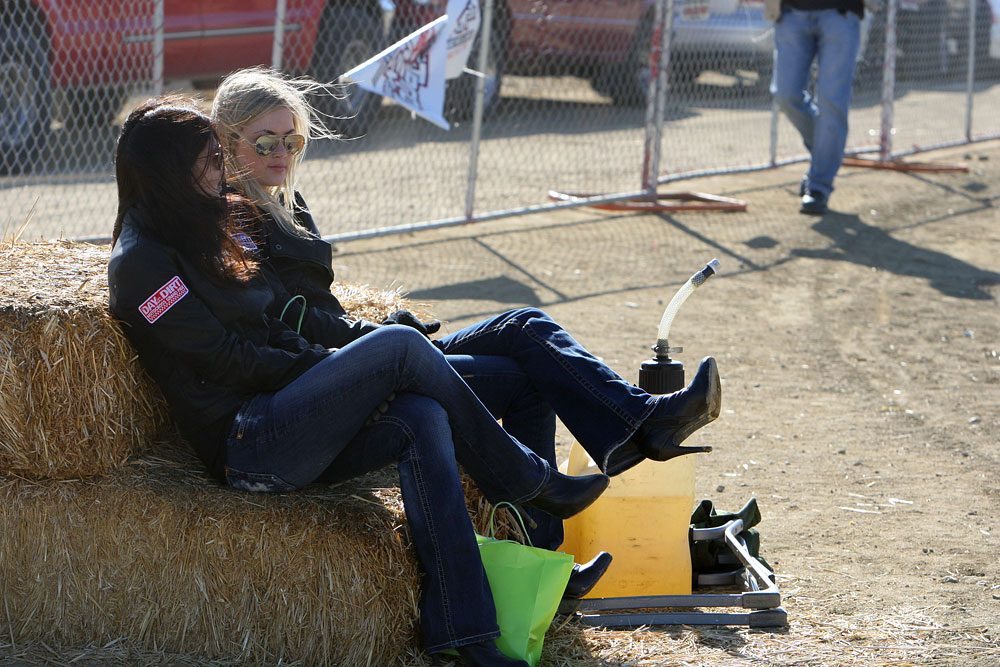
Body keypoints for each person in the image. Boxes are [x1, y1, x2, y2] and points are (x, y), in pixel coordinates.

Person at [108, 97, 614, 667]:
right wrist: (330, 372)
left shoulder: (216, 223)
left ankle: (463, 635)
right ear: (169, 171)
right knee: (399, 348)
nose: (221, 168)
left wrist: (333, 362)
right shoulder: (142, 265)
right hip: (249, 443)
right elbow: (225, 361)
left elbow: (276, 317)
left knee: (421, 414)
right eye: (207, 160)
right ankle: (523, 479)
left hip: (287, 410)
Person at [210, 67, 724, 599]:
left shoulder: (284, 199)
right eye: (265, 141)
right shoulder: (233, 216)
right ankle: (550, 545)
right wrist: (371, 333)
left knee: (524, 323)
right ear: (226, 140)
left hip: (357, 351)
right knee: (524, 377)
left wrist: (375, 331)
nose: (282, 152)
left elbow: (313, 305)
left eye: (292, 140)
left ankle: (638, 422)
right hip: (327, 380)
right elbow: (288, 313)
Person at [769, 0, 863, 215]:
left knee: (831, 103)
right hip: (792, 13)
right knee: (785, 95)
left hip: (840, 13)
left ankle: (819, 186)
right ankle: (825, 152)